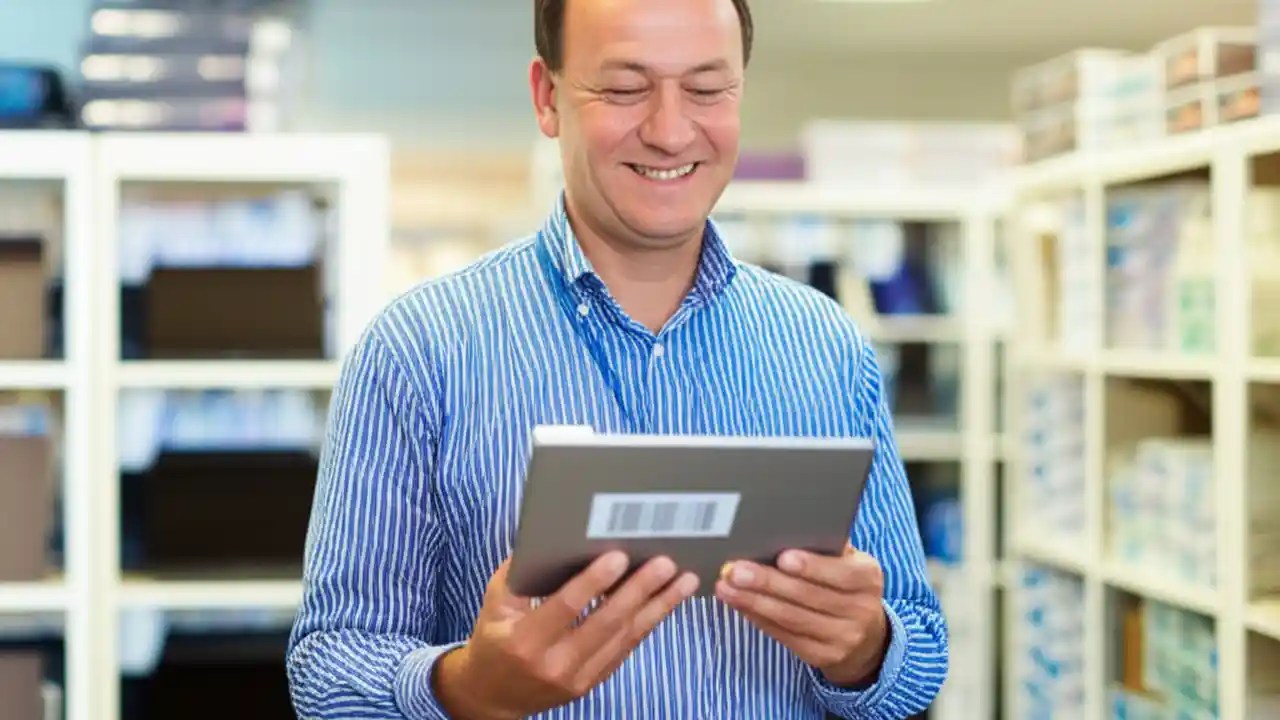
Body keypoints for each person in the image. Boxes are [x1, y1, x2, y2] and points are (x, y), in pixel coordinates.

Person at [285, 0, 948, 717]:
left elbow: (918, 661)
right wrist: (466, 687)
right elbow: (327, 672)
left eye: (706, 89)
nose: (669, 131)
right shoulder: (419, 350)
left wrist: (865, 649)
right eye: (626, 88)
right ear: (548, 97)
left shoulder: (827, 349)